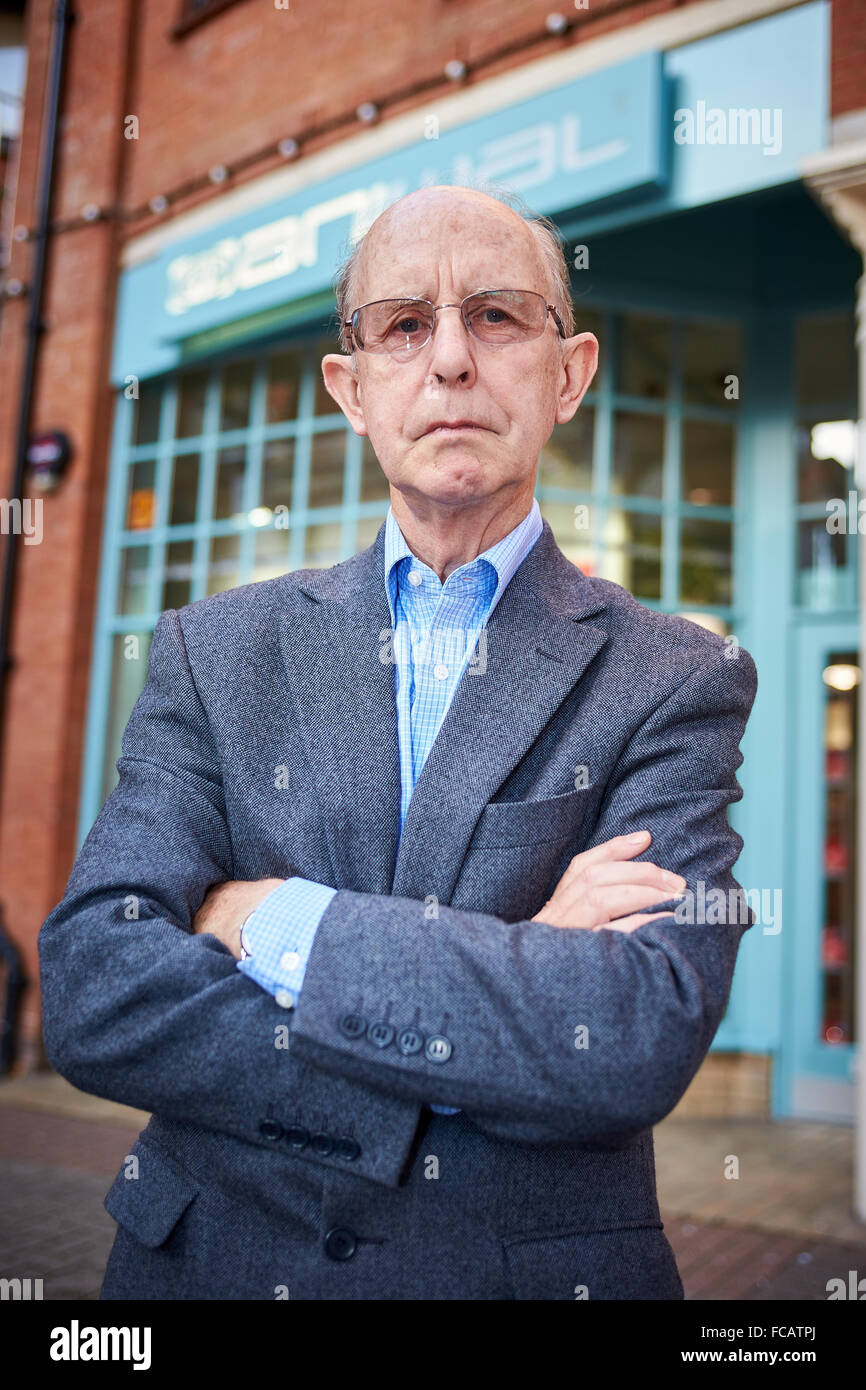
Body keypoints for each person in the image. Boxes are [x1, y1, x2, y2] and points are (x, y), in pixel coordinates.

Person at [38, 184, 757, 1301]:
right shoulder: (214, 651)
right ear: (352, 387)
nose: (452, 361)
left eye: (497, 317)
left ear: (567, 374)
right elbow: (95, 987)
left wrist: (264, 916)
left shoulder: (673, 678)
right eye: (405, 325)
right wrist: (505, 972)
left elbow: (627, 1030)